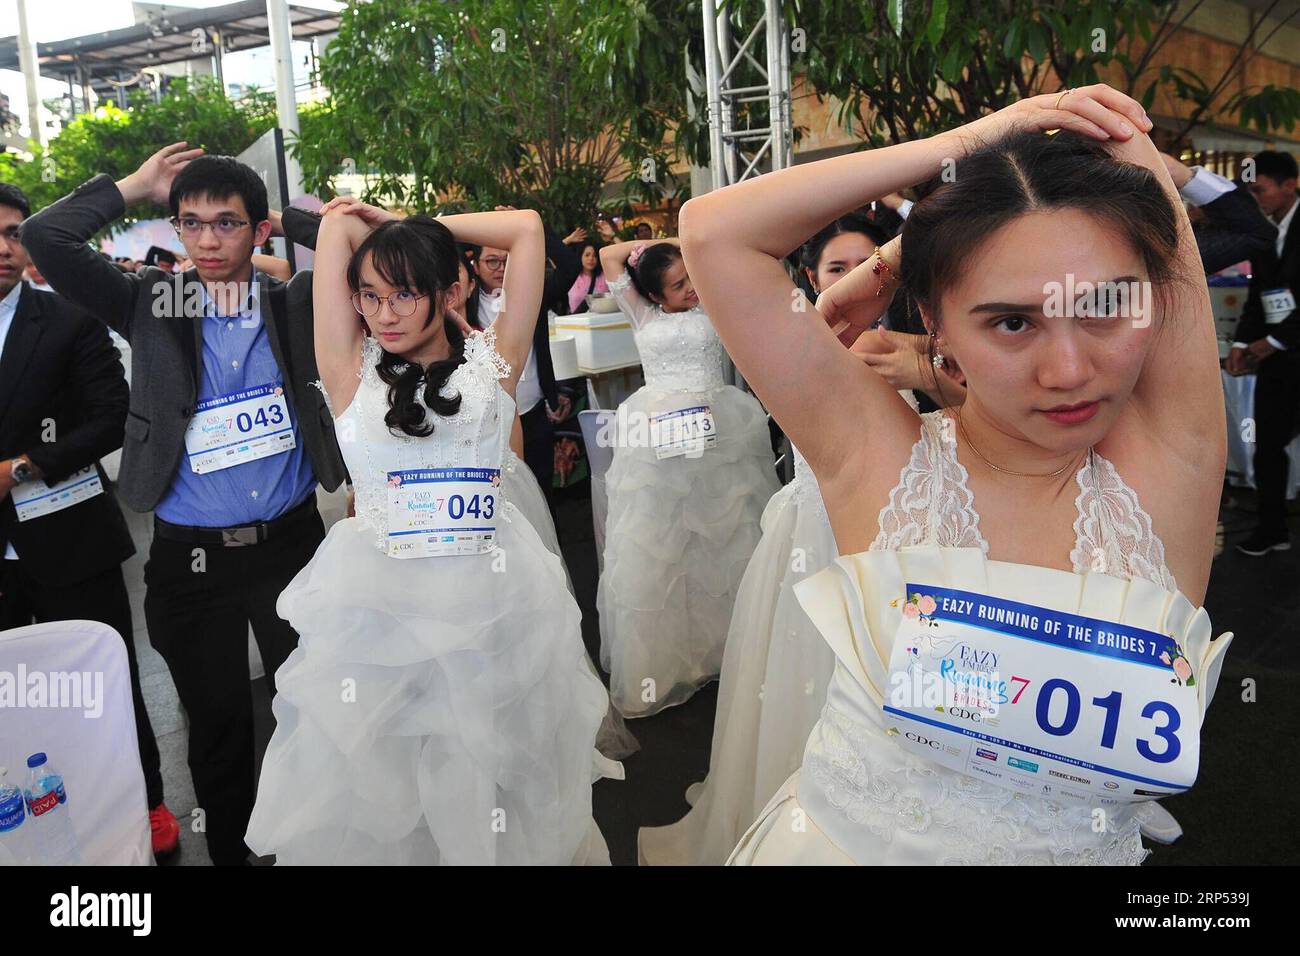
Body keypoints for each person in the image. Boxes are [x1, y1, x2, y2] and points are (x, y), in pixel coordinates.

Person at [680, 84, 1234, 865]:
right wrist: (977, 142)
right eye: (1013, 321)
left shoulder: (1170, 468)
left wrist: (987, 195)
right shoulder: (877, 459)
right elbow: (715, 233)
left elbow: (1132, 152)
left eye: (1107, 307)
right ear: (936, 325)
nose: (1070, 369)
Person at [244, 198, 614, 864]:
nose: (384, 314)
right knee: (386, 791)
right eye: (370, 296)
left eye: (406, 294)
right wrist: (381, 236)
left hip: (491, 608)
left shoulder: (494, 363)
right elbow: (335, 229)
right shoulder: (347, 372)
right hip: (377, 619)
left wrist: (407, 222)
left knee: (494, 781)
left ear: (453, 289)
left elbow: (527, 229)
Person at [21, 143, 348, 866]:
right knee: (219, 725)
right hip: (190, 561)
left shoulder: (293, 304)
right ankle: (231, 854)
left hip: (293, 546)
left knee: (318, 710)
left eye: (227, 223)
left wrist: (290, 215)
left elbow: (375, 246)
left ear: (259, 233)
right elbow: (46, 237)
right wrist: (136, 184)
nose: (206, 239)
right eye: (190, 223)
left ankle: (321, 847)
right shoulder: (153, 303)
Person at [638, 215, 954, 864]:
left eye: (875, 266)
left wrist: (928, 371)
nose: (860, 279)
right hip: (818, 538)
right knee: (815, 686)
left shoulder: (917, 346)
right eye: (840, 268)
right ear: (811, 277)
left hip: (919, 546)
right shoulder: (798, 343)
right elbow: (716, 234)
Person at [0, 183, 179, 858]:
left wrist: (22, 466)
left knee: (102, 677)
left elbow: (110, 417)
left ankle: (147, 803)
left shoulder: (68, 318)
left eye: (16, 233)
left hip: (69, 534)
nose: (4, 248)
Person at [595, 238, 779, 718]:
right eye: (678, 284)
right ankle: (667, 660)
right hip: (657, 437)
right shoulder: (641, 314)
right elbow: (608, 256)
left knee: (722, 539)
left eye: (691, 277)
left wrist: (684, 245)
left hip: (716, 427)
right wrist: (650, 246)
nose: (691, 288)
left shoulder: (712, 302)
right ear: (655, 295)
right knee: (663, 546)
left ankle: (723, 650)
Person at [465, 211, 577, 505]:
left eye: (507, 260)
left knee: (541, 498)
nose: (501, 268)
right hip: (485, 421)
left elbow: (569, 266)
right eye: (492, 261)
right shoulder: (461, 303)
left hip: (534, 412)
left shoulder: (532, 298)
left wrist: (532, 224)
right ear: (474, 265)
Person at [1226, 150, 1300, 556]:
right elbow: (1259, 296)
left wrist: (1273, 341)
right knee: (1268, 442)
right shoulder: (1264, 232)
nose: (1256, 198)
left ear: (1289, 185)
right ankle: (1273, 528)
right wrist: (1241, 342)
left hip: (1283, 347)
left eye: (1260, 189)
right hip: (1277, 361)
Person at [567, 241, 609, 314]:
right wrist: (567, 240)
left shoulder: (606, 276)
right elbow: (554, 257)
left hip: (602, 321)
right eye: (587, 255)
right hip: (577, 322)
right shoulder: (571, 276)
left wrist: (613, 236)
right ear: (580, 256)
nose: (591, 258)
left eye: (594, 255)